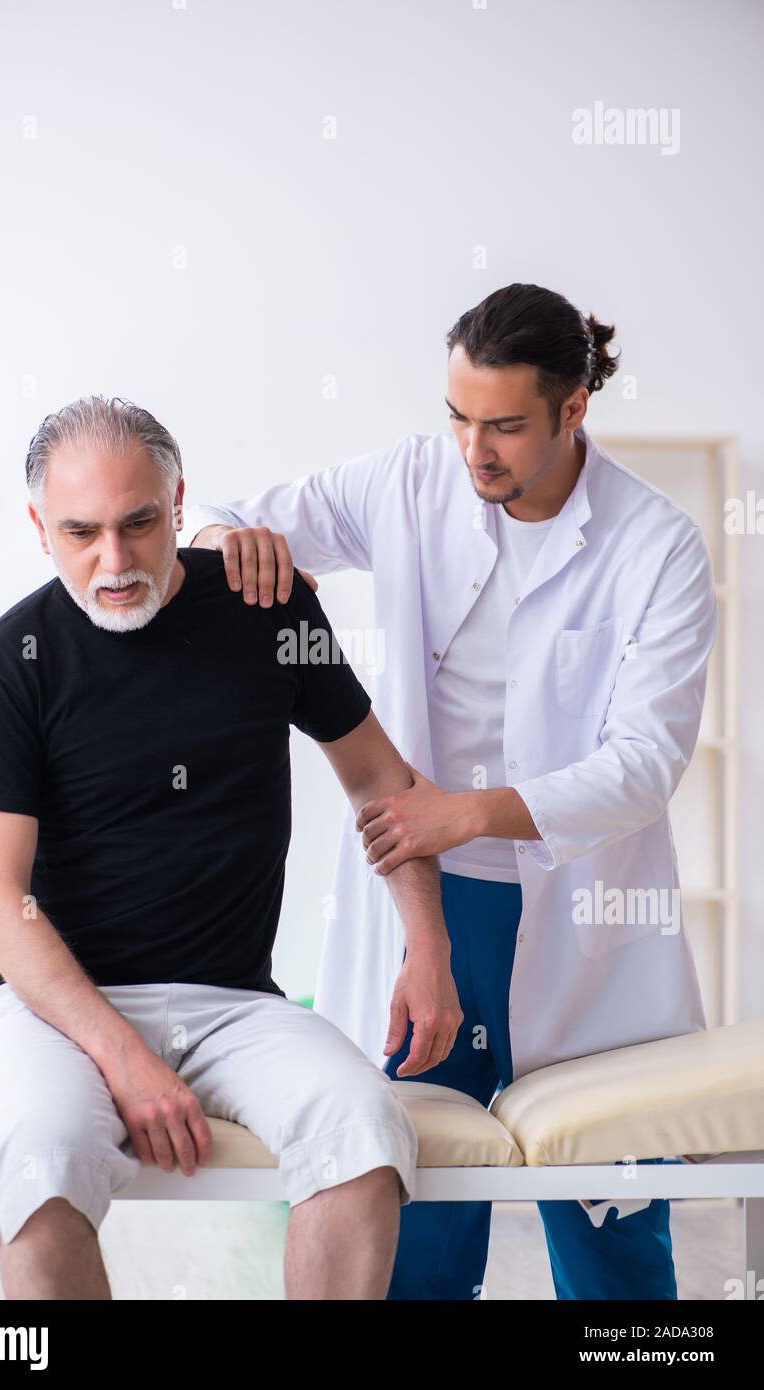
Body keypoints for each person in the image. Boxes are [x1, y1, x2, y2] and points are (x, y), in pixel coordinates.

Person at [181, 282, 718, 1300]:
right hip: (431, 910)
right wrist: (225, 544)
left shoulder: (657, 545)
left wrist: (461, 810)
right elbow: (225, 515)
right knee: (417, 1215)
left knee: (614, 1223)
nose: (475, 449)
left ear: (574, 409)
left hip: (583, 909)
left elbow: (647, 761)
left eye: (507, 426)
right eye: (460, 417)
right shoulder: (409, 483)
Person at [0, 395, 464, 1300]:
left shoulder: (265, 612)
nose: (114, 562)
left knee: (362, 1128)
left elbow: (382, 782)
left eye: (139, 524)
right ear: (38, 527)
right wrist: (122, 1057)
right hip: (52, 1012)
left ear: (180, 502)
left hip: (231, 1006)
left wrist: (428, 947)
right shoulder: (7, 664)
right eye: (81, 532)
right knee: (45, 1158)